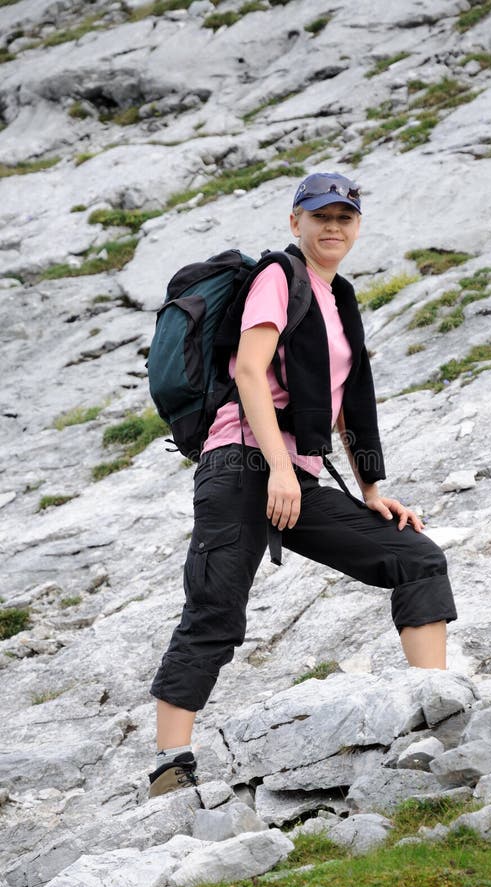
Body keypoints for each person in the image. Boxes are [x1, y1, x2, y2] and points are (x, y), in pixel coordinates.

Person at [148, 172, 457, 797]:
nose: (333, 226)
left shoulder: (340, 298)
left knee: (416, 557)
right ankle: (169, 766)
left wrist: (371, 487)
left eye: (345, 216)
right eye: (321, 215)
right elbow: (249, 372)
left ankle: (438, 710)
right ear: (297, 223)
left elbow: (349, 400)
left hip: (297, 478)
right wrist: (282, 470)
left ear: (358, 226)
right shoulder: (277, 278)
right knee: (216, 611)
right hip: (240, 465)